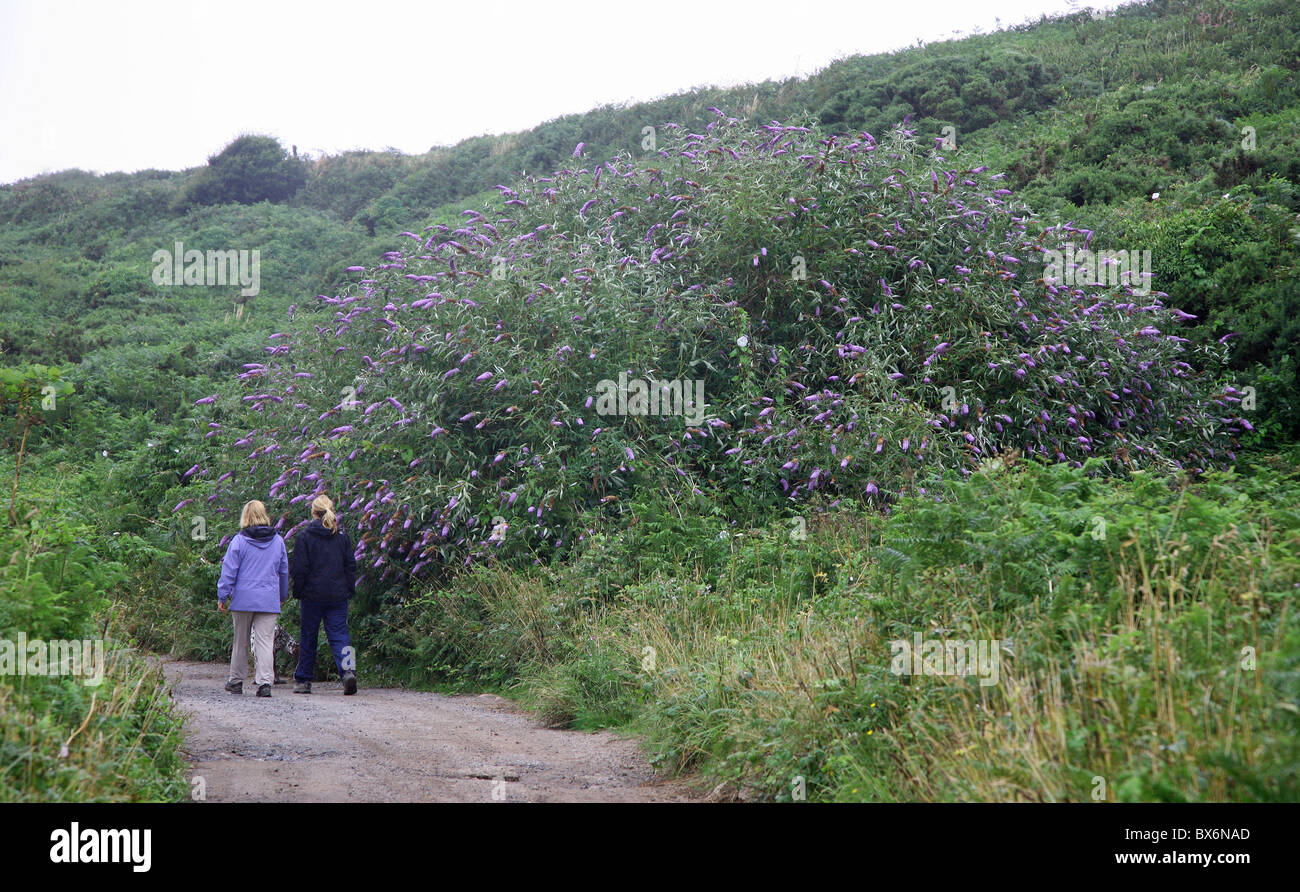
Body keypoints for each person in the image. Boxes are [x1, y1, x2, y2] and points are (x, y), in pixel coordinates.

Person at [217, 500, 289, 697]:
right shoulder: (278, 541)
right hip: (268, 598)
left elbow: (229, 570)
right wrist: (282, 595)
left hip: (243, 599)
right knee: (265, 641)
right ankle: (265, 682)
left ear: (245, 516)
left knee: (240, 641)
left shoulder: (239, 541)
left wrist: (222, 595)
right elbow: (283, 571)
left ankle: (236, 681)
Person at [290, 494, 358, 695]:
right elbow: (350, 566)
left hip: (311, 595)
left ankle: (303, 680)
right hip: (338, 595)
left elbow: (300, 568)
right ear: (331, 509)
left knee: (308, 635)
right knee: (340, 635)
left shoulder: (304, 537)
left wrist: (298, 591)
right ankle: (348, 672)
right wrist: (349, 589)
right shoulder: (342, 536)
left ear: (313, 512)